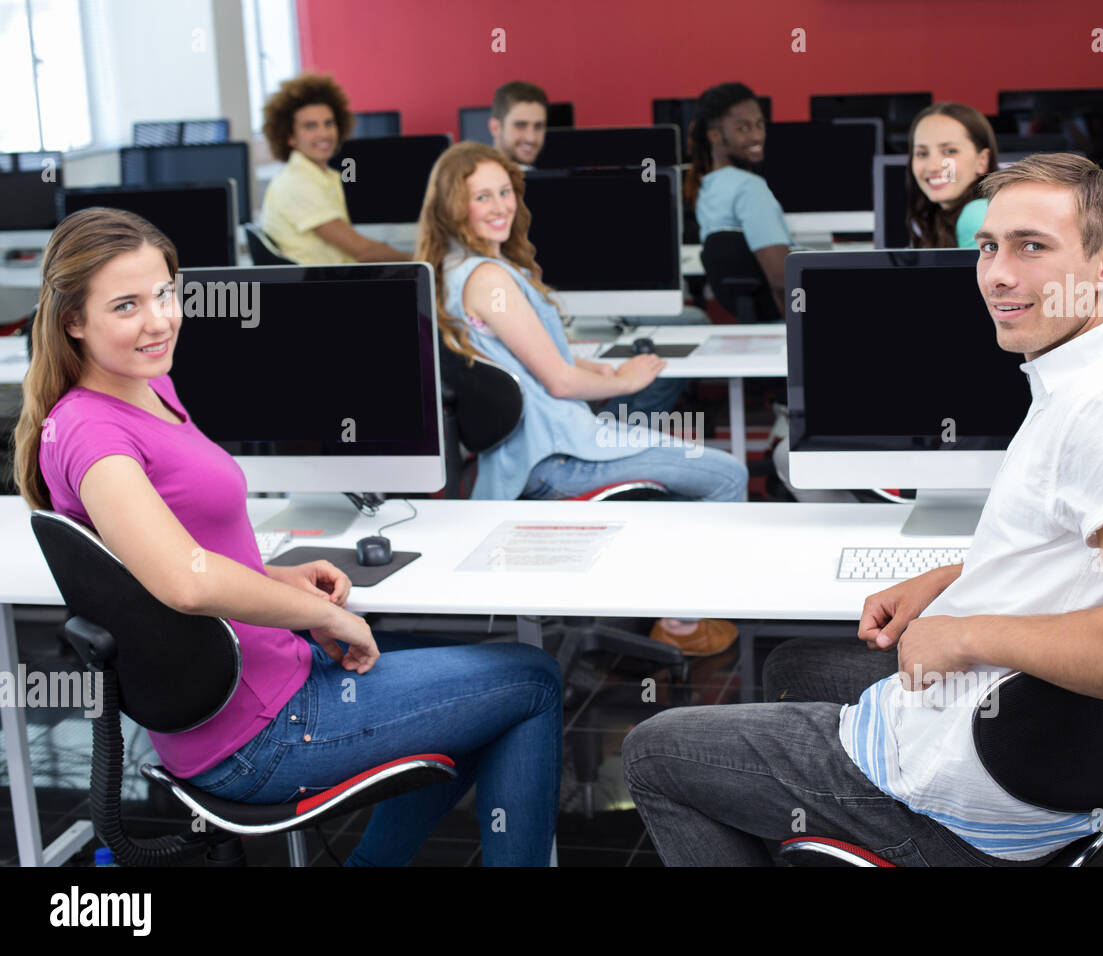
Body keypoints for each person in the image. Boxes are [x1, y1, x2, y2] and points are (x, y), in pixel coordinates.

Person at [623, 153, 1103, 865]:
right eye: (989, 246)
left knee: (654, 752)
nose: (996, 274)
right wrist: (950, 581)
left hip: (974, 790)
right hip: (1027, 730)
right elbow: (1072, 552)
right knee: (792, 669)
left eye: (1032, 246)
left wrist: (966, 637)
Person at [14, 207, 561, 866]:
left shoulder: (145, 386)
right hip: (261, 734)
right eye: (126, 306)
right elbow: (185, 582)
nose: (159, 320)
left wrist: (282, 582)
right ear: (73, 320)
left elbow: (175, 547)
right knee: (530, 681)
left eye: (164, 293)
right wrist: (320, 614)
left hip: (266, 682)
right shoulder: (95, 436)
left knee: (478, 690)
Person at [416, 141, 748, 652]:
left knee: (675, 460)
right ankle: (682, 626)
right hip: (556, 458)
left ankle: (658, 598)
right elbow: (560, 383)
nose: (501, 205)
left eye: (505, 191)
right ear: (452, 207)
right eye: (482, 197)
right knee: (729, 475)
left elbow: (536, 359)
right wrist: (628, 379)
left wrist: (596, 366)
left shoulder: (454, 271)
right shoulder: (489, 278)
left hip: (532, 451)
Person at [260, 73, 408, 264]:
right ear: (290, 136)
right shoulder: (297, 184)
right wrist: (422, 260)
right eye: (310, 126)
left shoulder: (319, 176)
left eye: (329, 123)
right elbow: (363, 251)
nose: (323, 133)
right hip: (324, 289)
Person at [686, 82, 791, 316]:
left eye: (759, 125)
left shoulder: (706, 189)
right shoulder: (750, 189)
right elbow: (782, 279)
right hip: (782, 325)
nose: (757, 136)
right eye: (743, 128)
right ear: (715, 136)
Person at [907, 102, 999, 249]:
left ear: (982, 160)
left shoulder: (977, 214)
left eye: (949, 151)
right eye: (921, 153)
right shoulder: (936, 220)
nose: (932, 166)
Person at [489, 81, 548, 170]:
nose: (531, 138)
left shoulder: (535, 176)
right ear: (495, 128)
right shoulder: (473, 180)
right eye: (520, 126)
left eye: (538, 126)